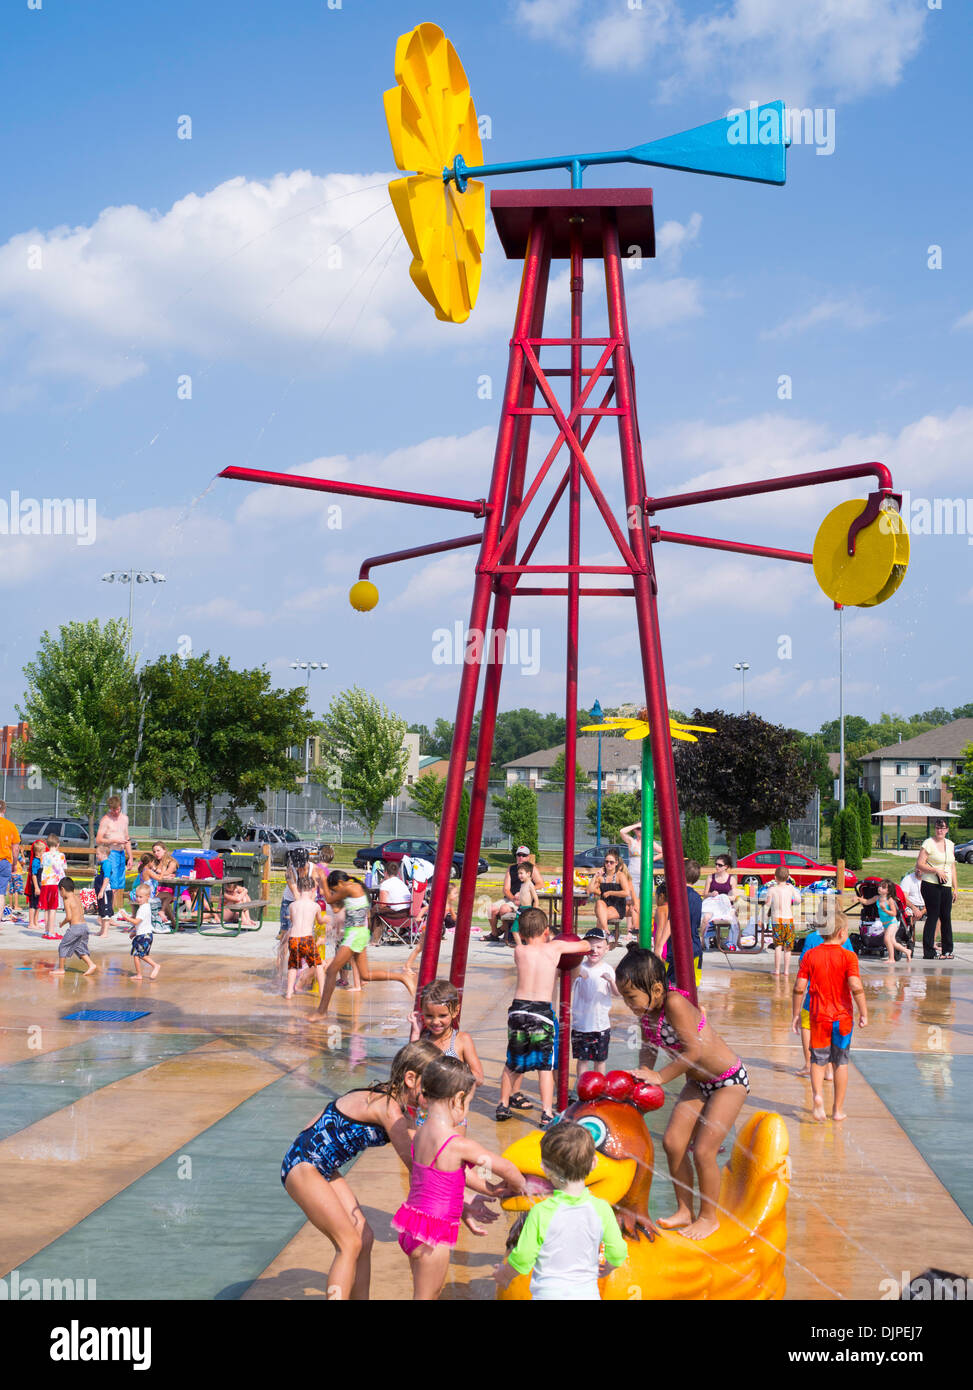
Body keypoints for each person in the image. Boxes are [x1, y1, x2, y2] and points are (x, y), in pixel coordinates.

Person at [281, 1042, 438, 1301]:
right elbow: (414, 1164)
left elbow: (424, 1153)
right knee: (349, 1243)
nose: (435, 1097)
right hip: (304, 1163)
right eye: (432, 1089)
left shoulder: (400, 1106)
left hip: (323, 1167)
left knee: (364, 1237)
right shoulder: (388, 1108)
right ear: (411, 1079)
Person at [617, 944, 750, 1241]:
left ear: (655, 988)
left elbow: (694, 1050)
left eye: (630, 997)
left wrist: (660, 1077)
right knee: (673, 1143)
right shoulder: (647, 1013)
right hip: (698, 1083)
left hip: (728, 1081)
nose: (628, 1004)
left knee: (703, 1151)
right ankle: (684, 1209)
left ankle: (709, 1216)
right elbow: (647, 1050)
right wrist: (642, 1075)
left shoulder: (675, 1003)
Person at [394, 1056, 525, 1300]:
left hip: (413, 1223)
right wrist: (523, 1186)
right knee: (427, 1296)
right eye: (469, 1102)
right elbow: (504, 1167)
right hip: (435, 1232)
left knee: (425, 1293)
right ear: (457, 1100)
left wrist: (491, 1190)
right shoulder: (457, 1144)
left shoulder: (422, 1134)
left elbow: (460, 1172)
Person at [494, 1121, 628, 1301]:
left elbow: (524, 1257)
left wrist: (504, 1274)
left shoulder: (540, 1212)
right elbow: (618, 1251)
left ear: (544, 1168)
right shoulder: (602, 1209)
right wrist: (610, 1266)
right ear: (593, 1163)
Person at [496, 906, 591, 1128]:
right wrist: (564, 942)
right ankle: (547, 1112)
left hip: (518, 1011)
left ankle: (502, 1104)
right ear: (546, 931)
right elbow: (585, 946)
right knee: (545, 1067)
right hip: (541, 1012)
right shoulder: (554, 948)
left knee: (512, 1061)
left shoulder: (519, 951)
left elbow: (519, 936)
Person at [792, 912, 868, 1121]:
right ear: (842, 933)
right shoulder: (848, 956)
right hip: (842, 1018)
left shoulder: (810, 955)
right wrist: (863, 1011)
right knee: (840, 1062)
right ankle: (837, 1109)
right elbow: (855, 986)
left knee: (818, 1059)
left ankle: (817, 1098)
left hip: (818, 1016)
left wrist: (795, 1014)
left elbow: (799, 987)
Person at [316, 870, 417, 1016]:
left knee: (331, 971)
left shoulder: (351, 887)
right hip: (359, 934)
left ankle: (321, 1012)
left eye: (334, 889)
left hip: (355, 934)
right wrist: (326, 889)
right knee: (365, 976)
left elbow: (331, 900)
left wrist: (323, 881)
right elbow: (336, 908)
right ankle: (401, 977)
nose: (334, 892)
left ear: (339, 883)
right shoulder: (352, 890)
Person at [795, 910, 855, 1076]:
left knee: (807, 1027)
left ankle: (809, 1064)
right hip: (839, 1003)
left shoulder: (812, 939)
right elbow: (852, 965)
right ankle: (829, 1069)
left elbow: (802, 964)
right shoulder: (845, 941)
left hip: (813, 1000)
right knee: (835, 1039)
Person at [409, 979, 484, 1083]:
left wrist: (450, 1073)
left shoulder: (462, 1040)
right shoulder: (423, 1038)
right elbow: (409, 1065)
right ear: (422, 1011)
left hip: (452, 1096)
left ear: (455, 1011)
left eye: (442, 1016)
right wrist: (416, 1033)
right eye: (429, 1016)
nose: (435, 1022)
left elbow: (479, 1078)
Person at [570, 927, 619, 1078]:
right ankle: (582, 1088)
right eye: (591, 947)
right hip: (581, 1025)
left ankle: (600, 1088)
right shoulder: (579, 968)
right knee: (582, 1060)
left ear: (607, 948)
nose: (594, 951)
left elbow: (617, 994)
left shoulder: (608, 969)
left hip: (601, 1025)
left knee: (600, 1060)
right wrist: (576, 975)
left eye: (599, 947)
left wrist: (611, 981)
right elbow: (568, 989)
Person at [652, 861, 704, 987]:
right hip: (695, 949)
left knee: (671, 987)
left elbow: (672, 922)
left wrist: (659, 946)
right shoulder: (698, 898)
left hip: (678, 951)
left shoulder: (678, 896)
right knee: (693, 988)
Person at [916, 818, 957, 959]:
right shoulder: (928, 843)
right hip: (930, 884)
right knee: (933, 916)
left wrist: (955, 888)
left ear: (947, 830)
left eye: (943, 828)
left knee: (946, 917)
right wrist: (936, 871)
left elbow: (952, 867)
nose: (940, 830)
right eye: (937, 827)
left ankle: (947, 950)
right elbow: (920, 864)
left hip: (946, 885)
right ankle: (929, 951)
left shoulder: (950, 845)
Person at [52, 877, 107, 977]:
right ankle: (91, 964)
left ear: (63, 889)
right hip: (84, 927)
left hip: (75, 928)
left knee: (63, 946)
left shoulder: (67, 900)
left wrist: (62, 923)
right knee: (79, 947)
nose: (60, 894)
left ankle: (61, 969)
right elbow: (81, 912)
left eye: (60, 891)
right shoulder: (77, 898)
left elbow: (69, 917)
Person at [487, 847, 544, 941]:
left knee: (504, 909)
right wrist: (513, 898)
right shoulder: (511, 868)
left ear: (528, 857)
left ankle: (503, 930)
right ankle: (495, 933)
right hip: (511, 898)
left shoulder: (532, 868)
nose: (521, 857)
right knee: (490, 909)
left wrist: (525, 891)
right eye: (519, 855)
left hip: (524, 901)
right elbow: (506, 889)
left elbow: (541, 884)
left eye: (524, 855)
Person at [285, 873, 325, 1000]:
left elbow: (292, 920)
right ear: (313, 889)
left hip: (293, 938)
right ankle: (323, 993)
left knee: (293, 966)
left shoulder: (292, 906)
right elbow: (319, 921)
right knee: (318, 966)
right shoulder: (315, 906)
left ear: (298, 889)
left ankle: (289, 992)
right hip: (306, 939)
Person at [115, 882, 161, 981]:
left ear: (147, 897)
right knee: (137, 955)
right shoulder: (145, 906)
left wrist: (126, 917)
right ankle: (139, 974)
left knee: (139, 955)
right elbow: (142, 924)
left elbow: (136, 921)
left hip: (144, 936)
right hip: (144, 934)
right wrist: (135, 933)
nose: (138, 899)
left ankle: (155, 966)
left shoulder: (143, 909)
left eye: (141, 897)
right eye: (137, 896)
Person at [96, 794, 133, 912]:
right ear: (110, 808)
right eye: (113, 809)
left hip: (121, 854)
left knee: (117, 886)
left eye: (118, 809)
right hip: (110, 853)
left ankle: (109, 912)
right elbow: (98, 840)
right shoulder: (105, 820)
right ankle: (105, 912)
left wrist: (130, 857)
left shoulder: (124, 818)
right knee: (110, 885)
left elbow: (127, 838)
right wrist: (114, 840)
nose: (116, 812)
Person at [763, 865, 801, 978]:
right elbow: (799, 900)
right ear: (788, 877)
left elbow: (768, 903)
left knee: (778, 946)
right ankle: (787, 971)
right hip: (788, 920)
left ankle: (777, 970)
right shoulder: (791, 888)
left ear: (775, 878)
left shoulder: (772, 889)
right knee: (788, 947)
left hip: (776, 920)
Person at [590, 850, 633, 945]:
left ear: (616, 863)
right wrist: (595, 876)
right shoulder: (602, 877)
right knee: (599, 903)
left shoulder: (620, 876)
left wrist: (611, 892)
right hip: (603, 906)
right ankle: (605, 930)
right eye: (606, 862)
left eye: (611, 862)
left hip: (617, 906)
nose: (608, 864)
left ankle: (600, 936)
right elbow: (590, 889)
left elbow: (626, 892)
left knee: (601, 917)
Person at [875, 878, 911, 963]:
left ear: (888, 891)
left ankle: (891, 958)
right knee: (893, 942)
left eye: (883, 887)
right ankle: (907, 951)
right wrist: (859, 899)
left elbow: (894, 913)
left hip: (892, 923)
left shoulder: (889, 900)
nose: (880, 888)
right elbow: (867, 901)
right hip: (885, 924)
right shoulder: (877, 898)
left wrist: (885, 910)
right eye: (880, 886)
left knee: (887, 939)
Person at [39, 834, 68, 939]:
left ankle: (46, 931)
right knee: (53, 908)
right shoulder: (61, 855)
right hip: (55, 884)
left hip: (45, 884)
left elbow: (42, 867)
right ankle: (51, 932)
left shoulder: (44, 855)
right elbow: (64, 867)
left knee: (46, 908)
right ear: (58, 844)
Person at [143, 842, 179, 924]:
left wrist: (155, 869)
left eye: (158, 851)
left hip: (167, 888)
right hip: (154, 889)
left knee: (165, 897)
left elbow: (167, 873)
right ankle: (173, 923)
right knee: (163, 899)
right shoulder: (154, 862)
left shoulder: (171, 862)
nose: (156, 853)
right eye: (154, 852)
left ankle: (172, 923)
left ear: (164, 850)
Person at [0, 800, 21, 922]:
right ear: (4, 810)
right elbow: (16, 848)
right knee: (1, 893)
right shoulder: (11, 826)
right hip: (5, 862)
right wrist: (14, 864)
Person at [509, 862, 540, 946]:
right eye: (518, 873)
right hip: (520, 909)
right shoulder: (522, 885)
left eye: (521, 873)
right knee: (514, 930)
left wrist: (534, 911)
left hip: (527, 910)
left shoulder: (530, 885)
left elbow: (536, 899)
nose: (519, 875)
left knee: (528, 931)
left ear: (528, 873)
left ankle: (532, 946)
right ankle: (520, 947)